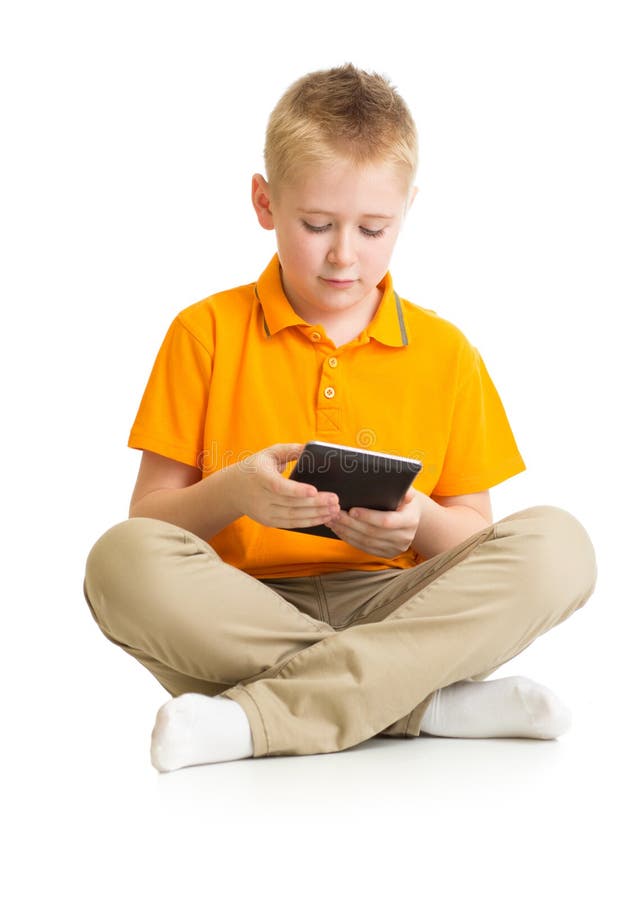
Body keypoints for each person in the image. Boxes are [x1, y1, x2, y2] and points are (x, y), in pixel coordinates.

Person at [83, 64, 597, 773]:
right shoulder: (202, 332)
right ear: (264, 202)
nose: (342, 254)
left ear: (407, 210)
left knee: (560, 547)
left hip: (401, 604)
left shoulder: (447, 353)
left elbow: (472, 540)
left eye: (373, 228)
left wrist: (417, 523)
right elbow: (149, 527)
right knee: (117, 562)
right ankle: (428, 703)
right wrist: (238, 492)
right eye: (316, 223)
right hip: (238, 608)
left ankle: (257, 717)